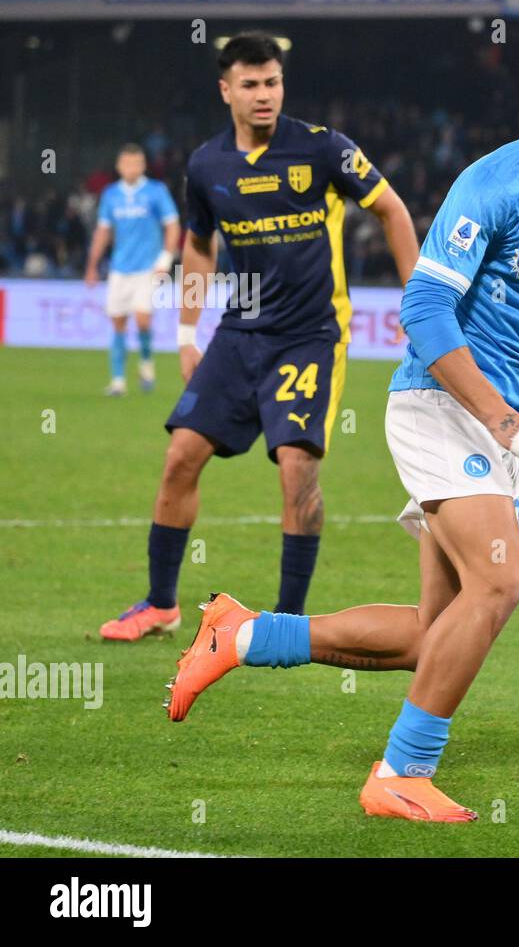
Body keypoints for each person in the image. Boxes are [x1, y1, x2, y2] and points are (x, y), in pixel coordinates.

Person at [162, 20, 519, 822]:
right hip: (441, 404)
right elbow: (425, 306)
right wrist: (507, 419)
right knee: (504, 578)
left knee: (430, 635)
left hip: (499, 429)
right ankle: (401, 774)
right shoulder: (506, 177)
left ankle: (240, 635)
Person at [99, 31, 418, 641]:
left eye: (272, 81)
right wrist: (187, 330)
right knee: (179, 458)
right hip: (239, 334)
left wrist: (421, 303)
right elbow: (198, 245)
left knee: (297, 467)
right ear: (227, 90)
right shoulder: (207, 165)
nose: (264, 94)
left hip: (310, 337)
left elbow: (393, 211)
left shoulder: (324, 149)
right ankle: (160, 604)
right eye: (250, 84)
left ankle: (288, 622)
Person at [83, 143, 180, 396]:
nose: (131, 168)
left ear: (143, 166)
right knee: (118, 323)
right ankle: (118, 382)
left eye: (136, 163)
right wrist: (92, 265)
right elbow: (103, 231)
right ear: (119, 166)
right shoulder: (111, 194)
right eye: (126, 163)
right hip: (119, 268)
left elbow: (172, 225)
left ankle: (146, 362)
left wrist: (165, 259)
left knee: (142, 318)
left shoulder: (156, 191)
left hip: (148, 268)